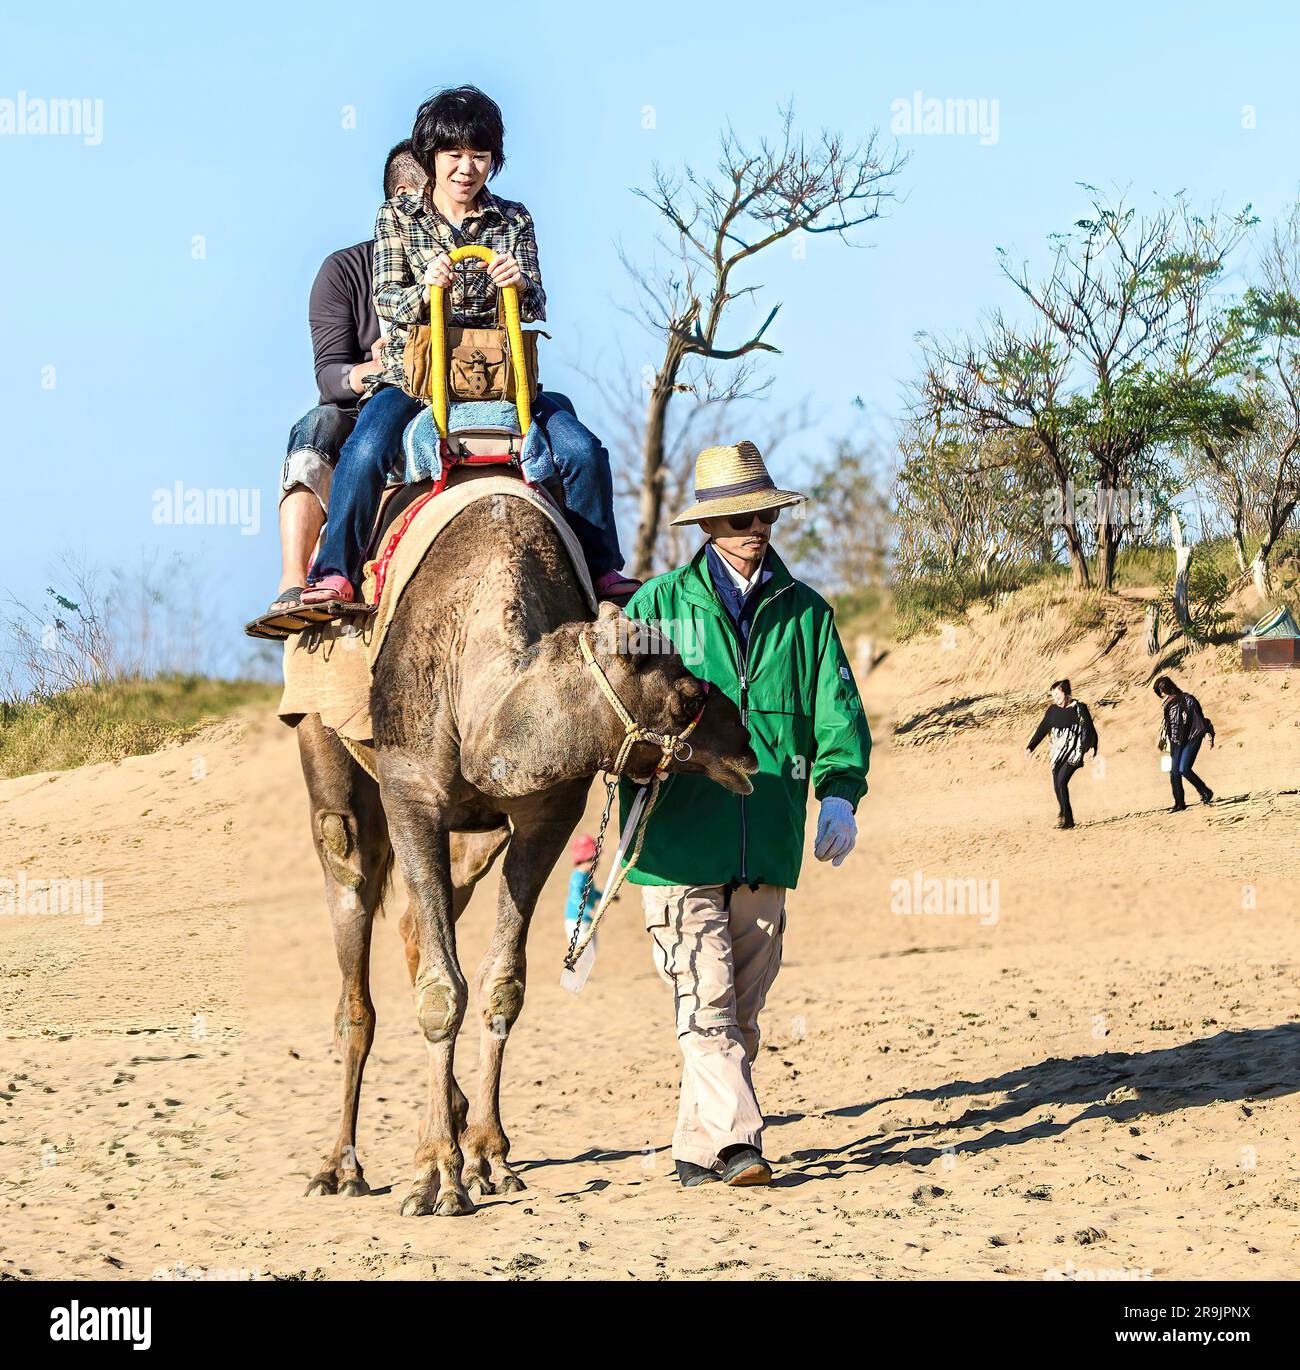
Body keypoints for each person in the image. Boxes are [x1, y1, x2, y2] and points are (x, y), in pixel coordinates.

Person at [619, 441, 871, 1189]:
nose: (751, 527)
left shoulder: (809, 616)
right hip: (673, 847)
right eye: (735, 517)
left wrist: (838, 793)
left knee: (740, 1019)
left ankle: (694, 1153)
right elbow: (611, 722)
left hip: (767, 843)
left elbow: (838, 716)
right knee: (708, 1002)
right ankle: (739, 1145)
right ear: (708, 525)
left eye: (760, 512)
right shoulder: (653, 611)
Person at [301, 85, 637, 611]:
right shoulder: (398, 218)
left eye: (479, 156)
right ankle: (337, 571)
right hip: (415, 380)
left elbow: (537, 303)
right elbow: (388, 301)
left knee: (581, 449)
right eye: (454, 155)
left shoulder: (515, 219)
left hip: (501, 376)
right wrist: (425, 286)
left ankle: (601, 569)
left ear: (493, 162)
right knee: (365, 449)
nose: (466, 168)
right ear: (432, 158)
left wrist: (520, 284)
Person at [245, 142, 426, 637]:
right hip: (371, 401)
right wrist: (385, 365)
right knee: (319, 424)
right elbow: (329, 376)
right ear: (405, 197)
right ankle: (294, 578)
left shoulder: (458, 261)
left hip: (450, 397)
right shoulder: (343, 271)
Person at [1024, 678, 1098, 830]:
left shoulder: (1079, 708)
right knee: (1057, 784)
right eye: (1053, 697)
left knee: (1061, 781)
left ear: (1066, 693)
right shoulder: (1052, 711)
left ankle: (1068, 819)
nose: (1055, 699)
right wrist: (1030, 747)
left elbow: (1090, 728)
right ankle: (1063, 812)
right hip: (1057, 754)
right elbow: (1042, 728)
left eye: (1058, 695)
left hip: (1074, 752)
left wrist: (1092, 746)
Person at [1154, 675, 1215, 810]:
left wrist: (1207, 732)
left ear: (1168, 689)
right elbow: (1170, 725)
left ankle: (1205, 792)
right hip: (1176, 741)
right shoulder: (1168, 704)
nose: (1162, 696)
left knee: (1184, 769)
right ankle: (1179, 803)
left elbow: (1199, 718)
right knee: (1175, 772)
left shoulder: (1188, 699)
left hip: (1191, 738)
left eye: (1162, 692)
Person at [564, 833, 602, 944]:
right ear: (588, 859)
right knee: (582, 950)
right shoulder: (578, 877)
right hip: (577, 920)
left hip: (587, 920)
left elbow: (591, 893)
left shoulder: (586, 875)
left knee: (591, 949)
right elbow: (576, 898)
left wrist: (605, 895)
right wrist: (590, 911)